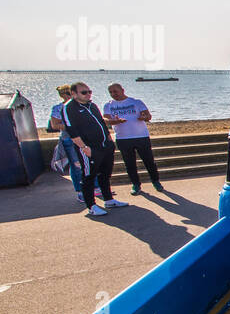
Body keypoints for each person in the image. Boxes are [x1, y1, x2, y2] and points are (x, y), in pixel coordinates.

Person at [61, 82, 127, 216]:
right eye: (84, 92)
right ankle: (91, 205)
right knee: (88, 176)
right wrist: (84, 147)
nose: (88, 94)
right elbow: (71, 130)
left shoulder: (92, 105)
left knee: (105, 174)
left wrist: (109, 140)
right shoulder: (69, 108)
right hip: (88, 148)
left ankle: (109, 200)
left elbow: (101, 123)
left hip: (105, 146)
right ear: (73, 94)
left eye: (89, 91)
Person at [104, 83, 165, 195]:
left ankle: (156, 182)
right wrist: (116, 121)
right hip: (123, 138)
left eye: (115, 91)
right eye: (111, 92)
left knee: (149, 161)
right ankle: (136, 184)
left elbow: (148, 117)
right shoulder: (108, 105)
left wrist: (143, 117)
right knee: (129, 163)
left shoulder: (136, 102)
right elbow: (106, 121)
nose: (113, 94)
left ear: (122, 90)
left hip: (141, 136)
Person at [49, 83, 86, 201]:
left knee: (88, 163)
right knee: (76, 165)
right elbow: (54, 125)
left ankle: (95, 188)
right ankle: (80, 191)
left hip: (83, 138)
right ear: (65, 94)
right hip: (69, 139)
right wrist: (71, 127)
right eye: (71, 93)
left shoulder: (80, 105)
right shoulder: (58, 108)